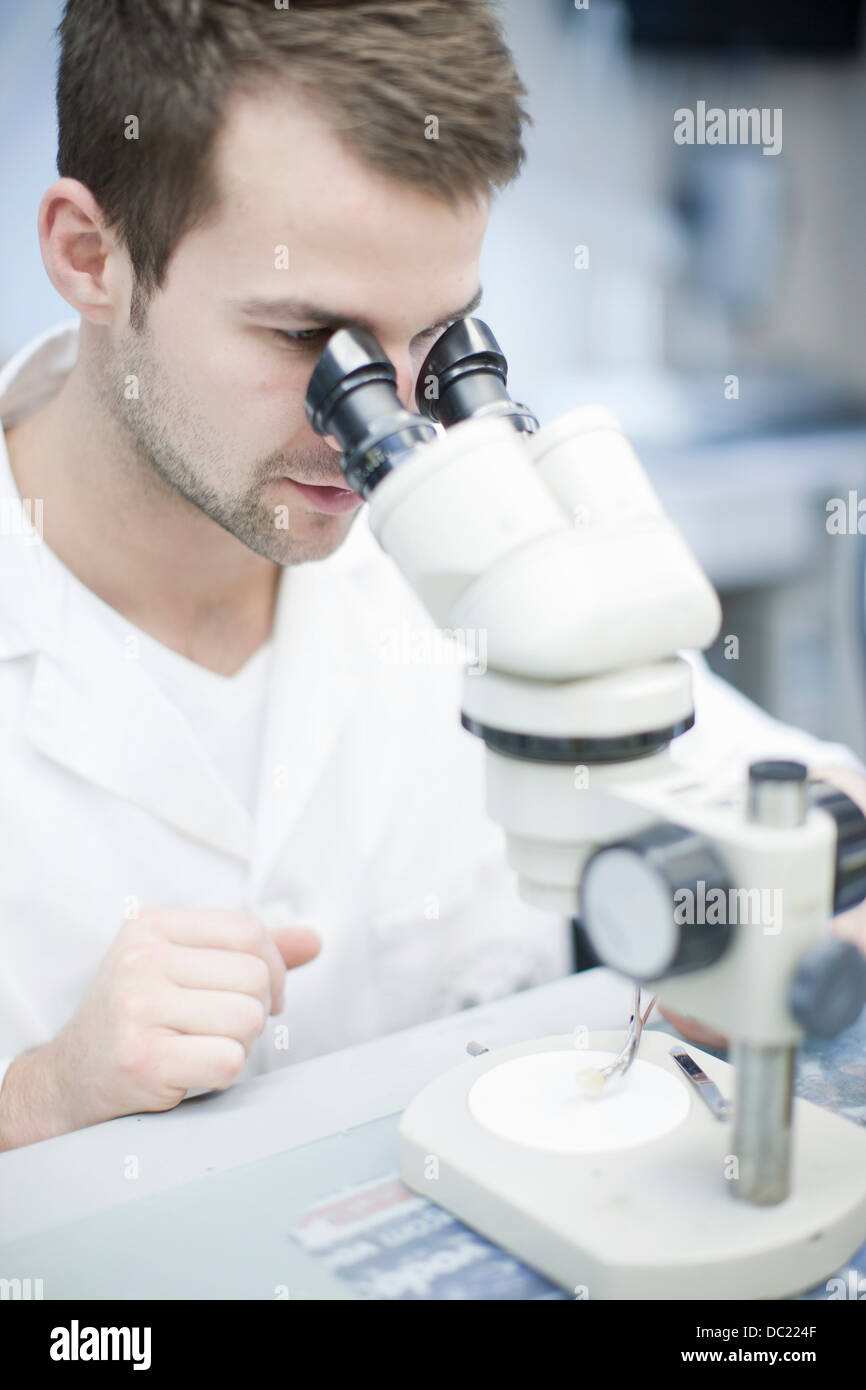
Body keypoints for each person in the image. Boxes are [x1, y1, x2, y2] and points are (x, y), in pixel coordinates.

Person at [0, 0, 862, 1152]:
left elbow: (806, 802)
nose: (381, 420)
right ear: (88, 255)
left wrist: (762, 926)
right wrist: (41, 1098)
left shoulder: (466, 554)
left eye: (438, 341)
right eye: (310, 340)